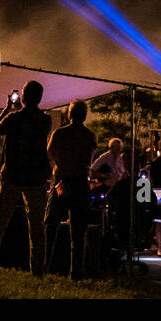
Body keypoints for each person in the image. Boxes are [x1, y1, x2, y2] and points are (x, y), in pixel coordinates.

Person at [0, 81, 52, 276]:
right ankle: (38, 269)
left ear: (23, 97)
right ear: (40, 97)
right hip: (36, 177)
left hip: (12, 176)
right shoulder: (45, 120)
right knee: (36, 226)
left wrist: (7, 109)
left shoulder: (14, 118)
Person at [44, 99, 98, 279]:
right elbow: (89, 160)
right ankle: (76, 272)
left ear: (69, 114)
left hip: (62, 181)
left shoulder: (59, 133)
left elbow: (50, 153)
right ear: (84, 116)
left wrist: (62, 167)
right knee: (78, 231)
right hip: (81, 183)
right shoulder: (90, 136)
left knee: (50, 225)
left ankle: (44, 266)